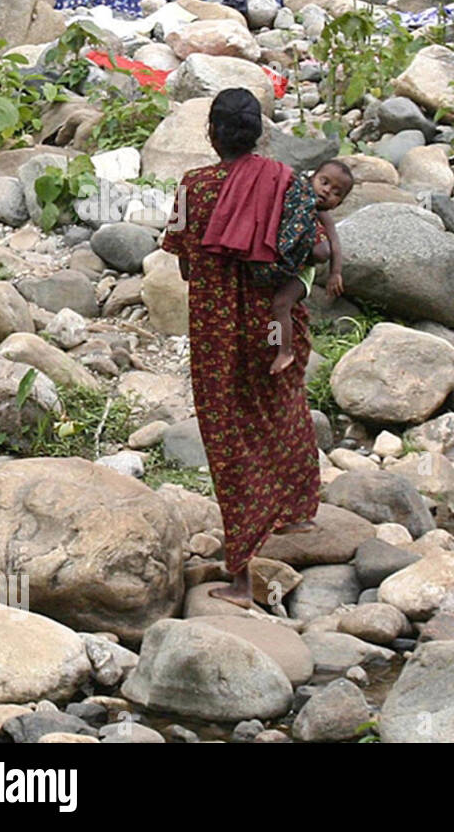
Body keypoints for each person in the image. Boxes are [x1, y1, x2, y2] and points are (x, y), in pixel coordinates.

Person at [160, 88, 320, 608]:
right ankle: (295, 512)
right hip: (276, 324)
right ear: (259, 133)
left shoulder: (193, 188)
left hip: (218, 330)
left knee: (228, 437)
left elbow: (183, 261)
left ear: (211, 133)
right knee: (281, 407)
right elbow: (311, 243)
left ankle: (242, 578)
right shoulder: (285, 181)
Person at [269, 160, 352, 375]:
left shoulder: (322, 215)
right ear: (311, 178)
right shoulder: (295, 199)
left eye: (336, 192)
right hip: (284, 266)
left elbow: (334, 244)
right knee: (269, 305)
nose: (326, 191)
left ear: (339, 203)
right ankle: (274, 342)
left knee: (280, 304)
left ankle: (284, 351)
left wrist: (335, 273)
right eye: (324, 182)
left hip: (303, 274)